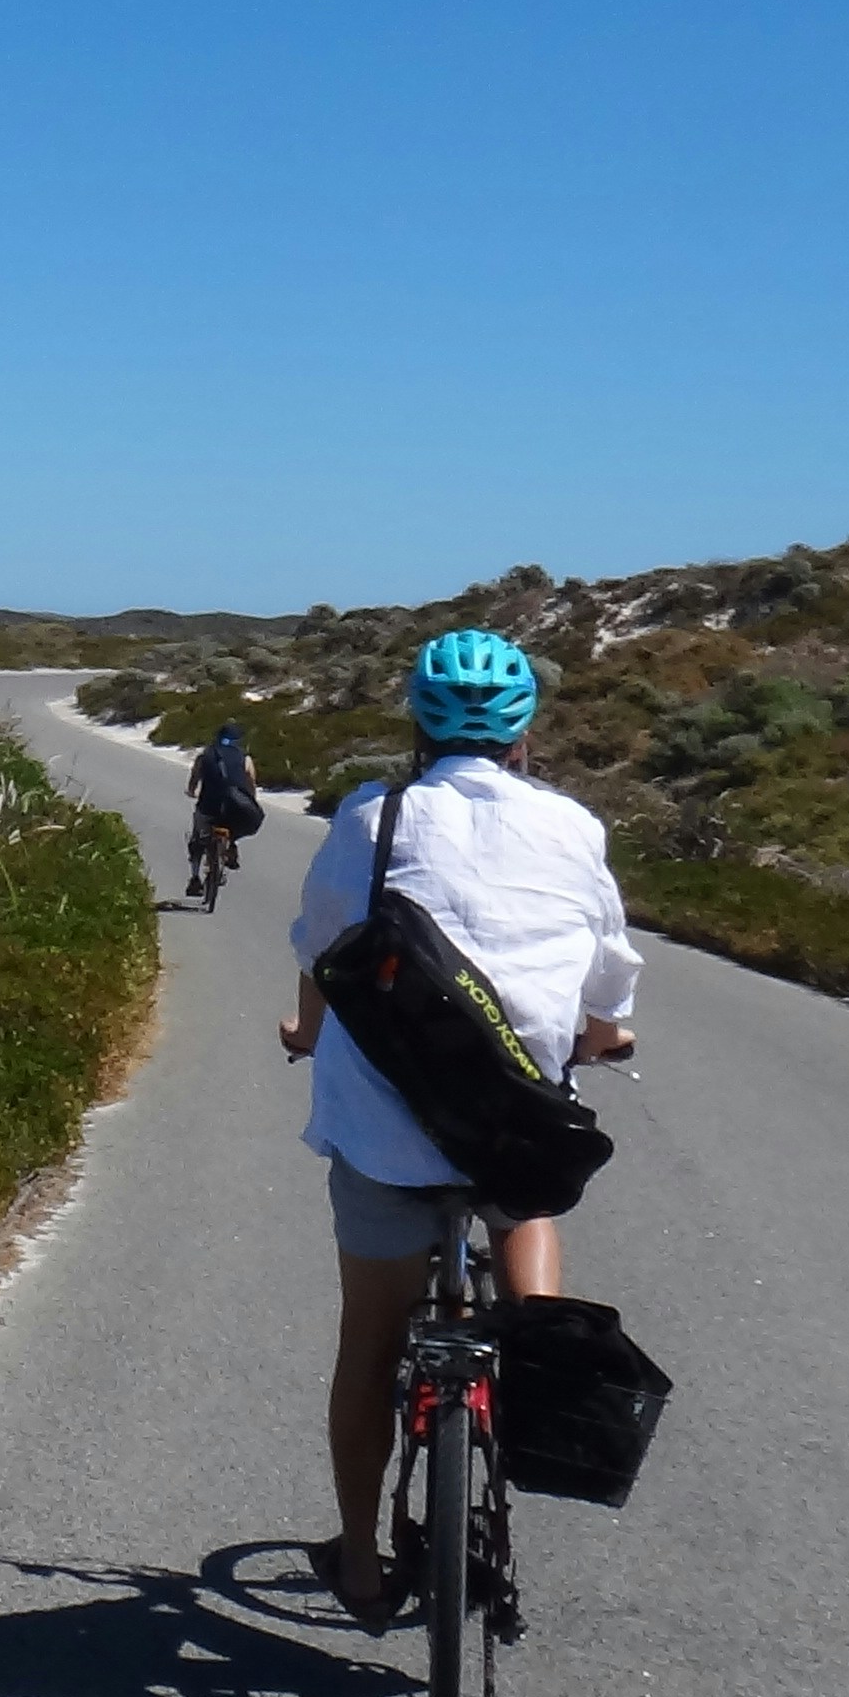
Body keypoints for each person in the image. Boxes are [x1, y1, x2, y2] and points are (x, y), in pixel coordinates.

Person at [275, 628, 639, 1630]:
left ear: (415, 721)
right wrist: (605, 1036)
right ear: (526, 729)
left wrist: (307, 1033)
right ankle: (536, 1345)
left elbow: (323, 947)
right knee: (526, 1197)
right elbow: (605, 974)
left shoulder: (372, 819)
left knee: (369, 1344)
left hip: (387, 1130)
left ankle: (359, 1563)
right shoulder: (571, 830)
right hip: (512, 1129)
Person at [184, 722, 262, 901]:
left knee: (198, 838)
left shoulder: (205, 756)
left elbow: (195, 778)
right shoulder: (245, 758)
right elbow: (251, 782)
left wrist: (191, 791)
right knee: (235, 824)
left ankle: (195, 877)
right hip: (236, 807)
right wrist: (250, 798)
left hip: (208, 806)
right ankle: (231, 844)